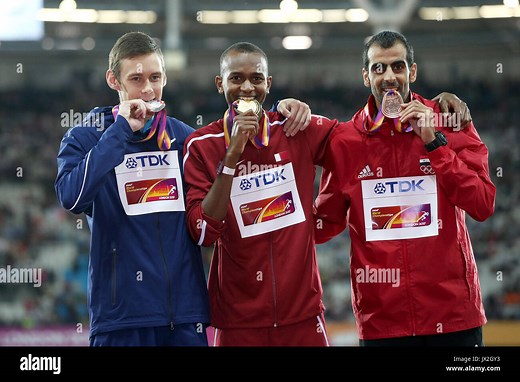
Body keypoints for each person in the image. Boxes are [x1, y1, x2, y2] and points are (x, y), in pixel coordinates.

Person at [54, 32, 311, 346]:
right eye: (136, 78)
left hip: (186, 317)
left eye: (155, 77)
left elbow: (229, 187)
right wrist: (119, 131)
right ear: (113, 80)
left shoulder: (186, 139)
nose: (148, 89)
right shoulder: (87, 137)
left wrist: (281, 110)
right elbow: (71, 197)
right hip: (120, 319)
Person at [314, 30, 496, 346]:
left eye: (398, 66)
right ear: (365, 75)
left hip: (454, 320)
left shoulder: (449, 121)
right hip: (382, 326)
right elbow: (322, 225)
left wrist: (434, 143)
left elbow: (482, 204)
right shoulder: (344, 142)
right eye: (378, 68)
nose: (389, 77)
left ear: (412, 71)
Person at [183, 42, 341, 346]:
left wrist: (322, 217)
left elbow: (354, 144)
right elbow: (202, 233)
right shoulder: (202, 145)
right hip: (238, 321)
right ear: (220, 84)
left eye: (256, 78)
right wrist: (231, 157)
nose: (246, 87)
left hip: (302, 315)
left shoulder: (295, 129)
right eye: (236, 78)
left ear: (268, 84)